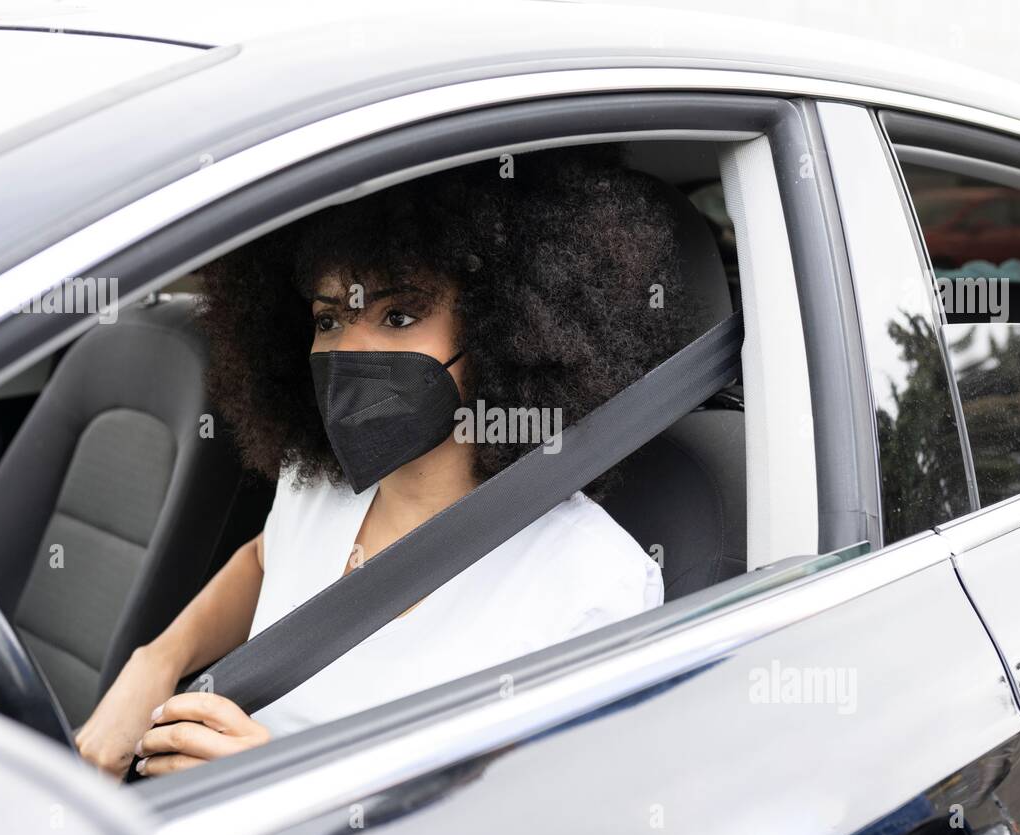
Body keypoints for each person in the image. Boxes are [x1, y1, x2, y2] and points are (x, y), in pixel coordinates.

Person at [75, 144, 702, 779]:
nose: (350, 352)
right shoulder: (314, 485)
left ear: (504, 329)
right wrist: (156, 661)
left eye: (398, 316)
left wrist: (278, 791)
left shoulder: (591, 588)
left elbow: (533, 830)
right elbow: (264, 559)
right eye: (328, 319)